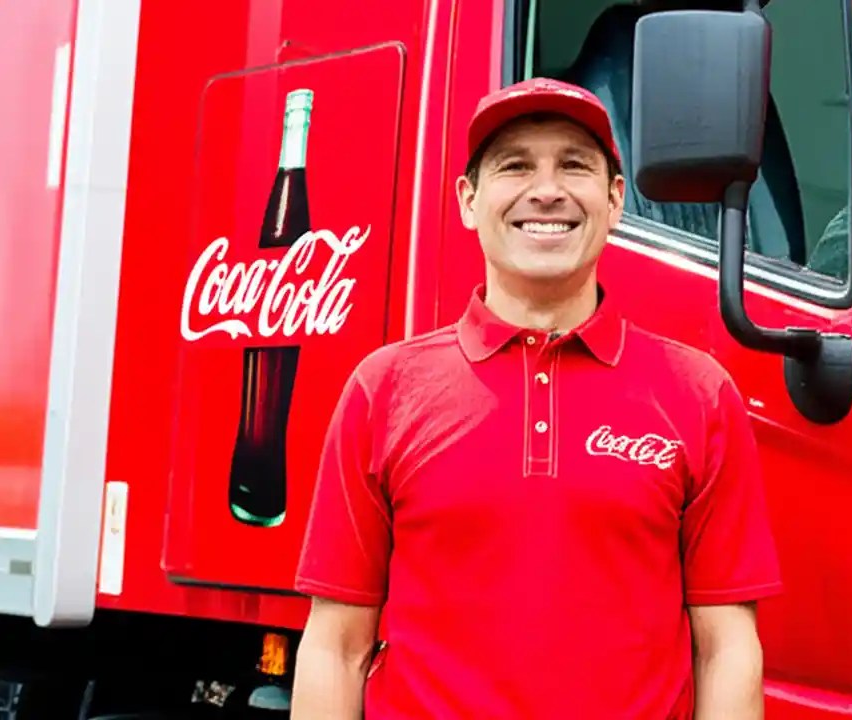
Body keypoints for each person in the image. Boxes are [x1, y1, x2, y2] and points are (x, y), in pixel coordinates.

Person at [290, 77, 782, 720]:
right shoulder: (383, 391)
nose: (546, 189)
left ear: (614, 200)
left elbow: (727, 647)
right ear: (469, 200)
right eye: (515, 165)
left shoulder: (699, 395)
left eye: (573, 165)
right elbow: (336, 646)